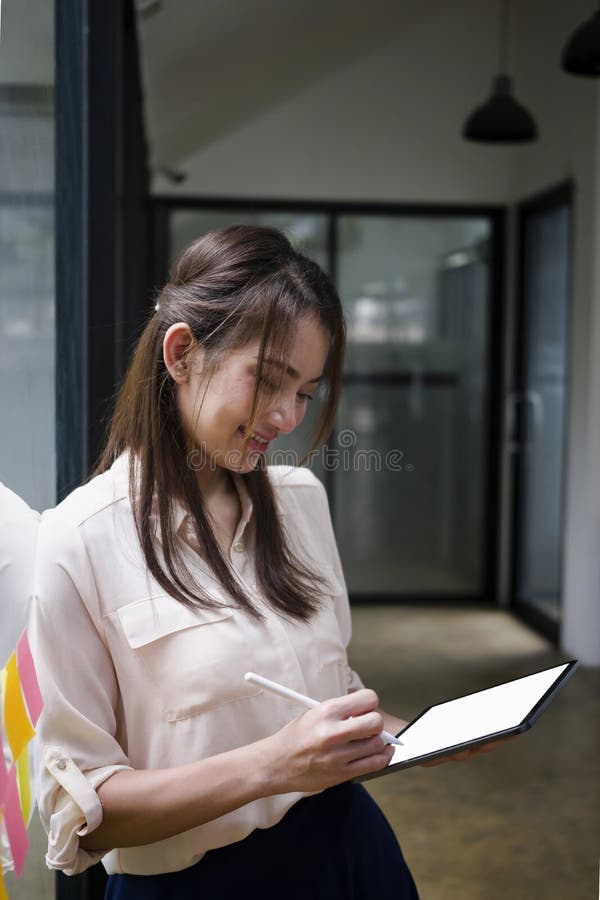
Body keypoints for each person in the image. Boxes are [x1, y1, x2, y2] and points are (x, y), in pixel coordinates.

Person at [31, 225, 486, 900]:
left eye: (305, 391)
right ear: (182, 353)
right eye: (269, 381)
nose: (286, 416)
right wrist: (273, 767)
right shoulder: (78, 541)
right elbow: (81, 820)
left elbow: (321, 707)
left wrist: (422, 735)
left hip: (349, 856)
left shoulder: (300, 502)